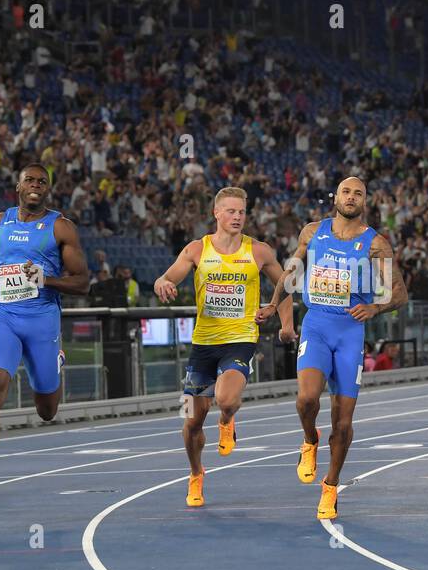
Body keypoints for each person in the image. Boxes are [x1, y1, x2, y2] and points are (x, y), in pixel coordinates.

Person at [268, 176, 407, 519]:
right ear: (337, 198)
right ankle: (309, 440)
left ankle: (330, 486)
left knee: (343, 424)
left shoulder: (376, 245)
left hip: (350, 333)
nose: (351, 197)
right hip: (316, 325)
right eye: (346, 191)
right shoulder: (313, 232)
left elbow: (398, 293)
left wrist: (375, 307)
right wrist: (273, 305)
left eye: (358, 193)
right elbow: (291, 274)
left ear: (365, 202)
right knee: (306, 399)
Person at [0, 163, 89, 504]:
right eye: (30, 179)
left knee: (47, 410)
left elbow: (82, 282)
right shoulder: (1, 221)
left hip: (42, 322)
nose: (36, 185)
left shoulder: (61, 227)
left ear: (48, 189)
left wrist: (46, 280)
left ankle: (53, 364)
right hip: (4, 316)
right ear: (18, 185)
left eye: (43, 181)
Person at [154, 187, 294, 507]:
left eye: (242, 212)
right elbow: (169, 275)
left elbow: (284, 285)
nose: (237, 217)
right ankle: (195, 474)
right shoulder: (196, 249)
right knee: (190, 421)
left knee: (226, 399)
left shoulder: (258, 251)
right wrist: (162, 282)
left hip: (241, 339)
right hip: (203, 345)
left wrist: (286, 324)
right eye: (230, 211)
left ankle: (227, 419)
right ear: (216, 213)